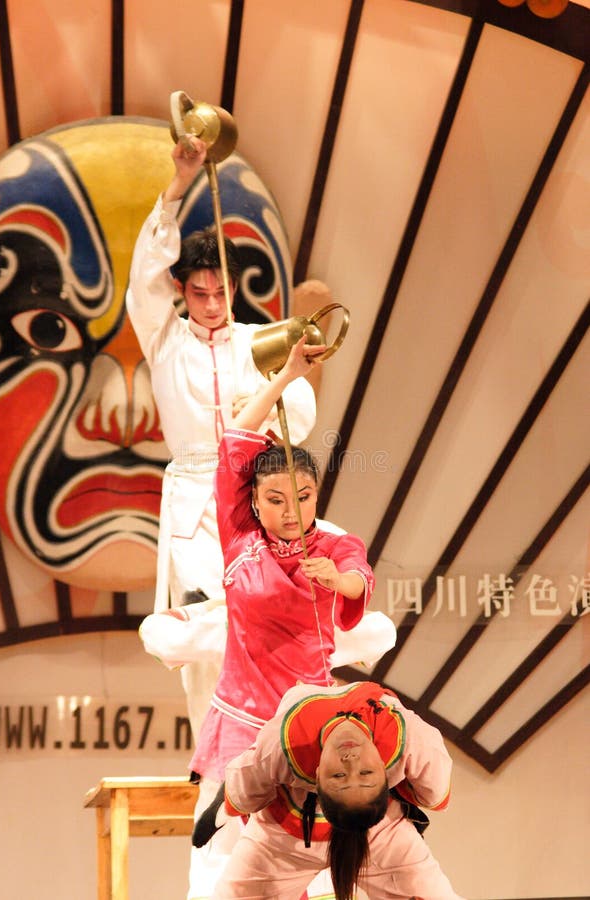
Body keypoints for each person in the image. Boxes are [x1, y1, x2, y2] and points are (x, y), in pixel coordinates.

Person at [167, 335, 378, 899]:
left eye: (304, 497)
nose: (292, 511)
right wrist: (285, 376)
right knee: (216, 868)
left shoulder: (333, 546)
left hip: (304, 731)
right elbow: (235, 443)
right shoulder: (240, 540)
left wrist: (340, 581)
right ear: (254, 503)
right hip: (238, 724)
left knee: (310, 871)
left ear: (317, 495)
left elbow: (360, 576)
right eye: (277, 500)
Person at [126, 135, 317, 741]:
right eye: (199, 293)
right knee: (211, 635)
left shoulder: (256, 343)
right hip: (193, 494)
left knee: (267, 619)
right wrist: (180, 183)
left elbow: (302, 414)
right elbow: (144, 276)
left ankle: (274, 753)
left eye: (221, 292)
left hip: (255, 495)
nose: (211, 304)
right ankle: (220, 777)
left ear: (235, 289)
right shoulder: (163, 338)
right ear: (183, 291)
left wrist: (269, 401)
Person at [197, 680, 463, 900]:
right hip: (282, 838)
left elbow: (243, 787)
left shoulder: (282, 746)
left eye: (340, 776)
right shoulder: (408, 738)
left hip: (382, 834)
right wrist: (220, 808)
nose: (351, 762)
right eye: (365, 774)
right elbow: (434, 795)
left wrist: (228, 802)